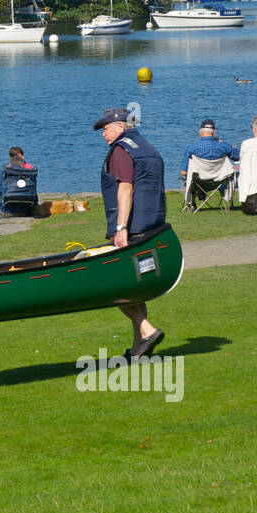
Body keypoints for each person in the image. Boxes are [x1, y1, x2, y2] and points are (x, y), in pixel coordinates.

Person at [94, 108, 166, 360]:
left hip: (132, 227)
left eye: (106, 128)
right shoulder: (145, 145)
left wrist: (121, 227)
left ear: (120, 127)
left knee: (116, 286)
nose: (103, 134)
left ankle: (147, 331)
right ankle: (139, 349)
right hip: (153, 222)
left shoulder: (121, 150)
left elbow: (126, 188)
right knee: (134, 287)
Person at [0, 146, 37, 234]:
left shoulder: (3, 173)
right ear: (22, 157)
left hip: (6, 211)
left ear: (10, 158)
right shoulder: (29, 172)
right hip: (27, 210)